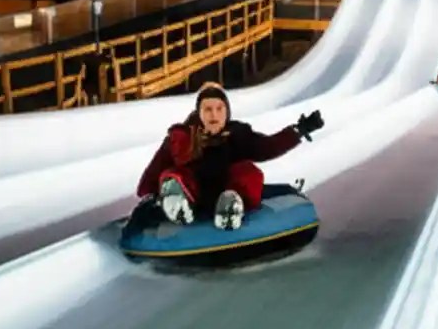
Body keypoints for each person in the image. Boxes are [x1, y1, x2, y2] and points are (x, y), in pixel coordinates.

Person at [136, 83, 324, 230]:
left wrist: (298, 131)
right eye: (207, 109)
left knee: (248, 173)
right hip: (194, 196)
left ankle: (230, 206)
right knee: (173, 175)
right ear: (198, 113)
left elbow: (266, 147)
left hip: (226, 189)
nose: (214, 115)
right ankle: (177, 203)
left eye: (219, 109)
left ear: (227, 113)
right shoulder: (182, 138)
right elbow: (156, 168)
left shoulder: (238, 134)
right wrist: (149, 196)